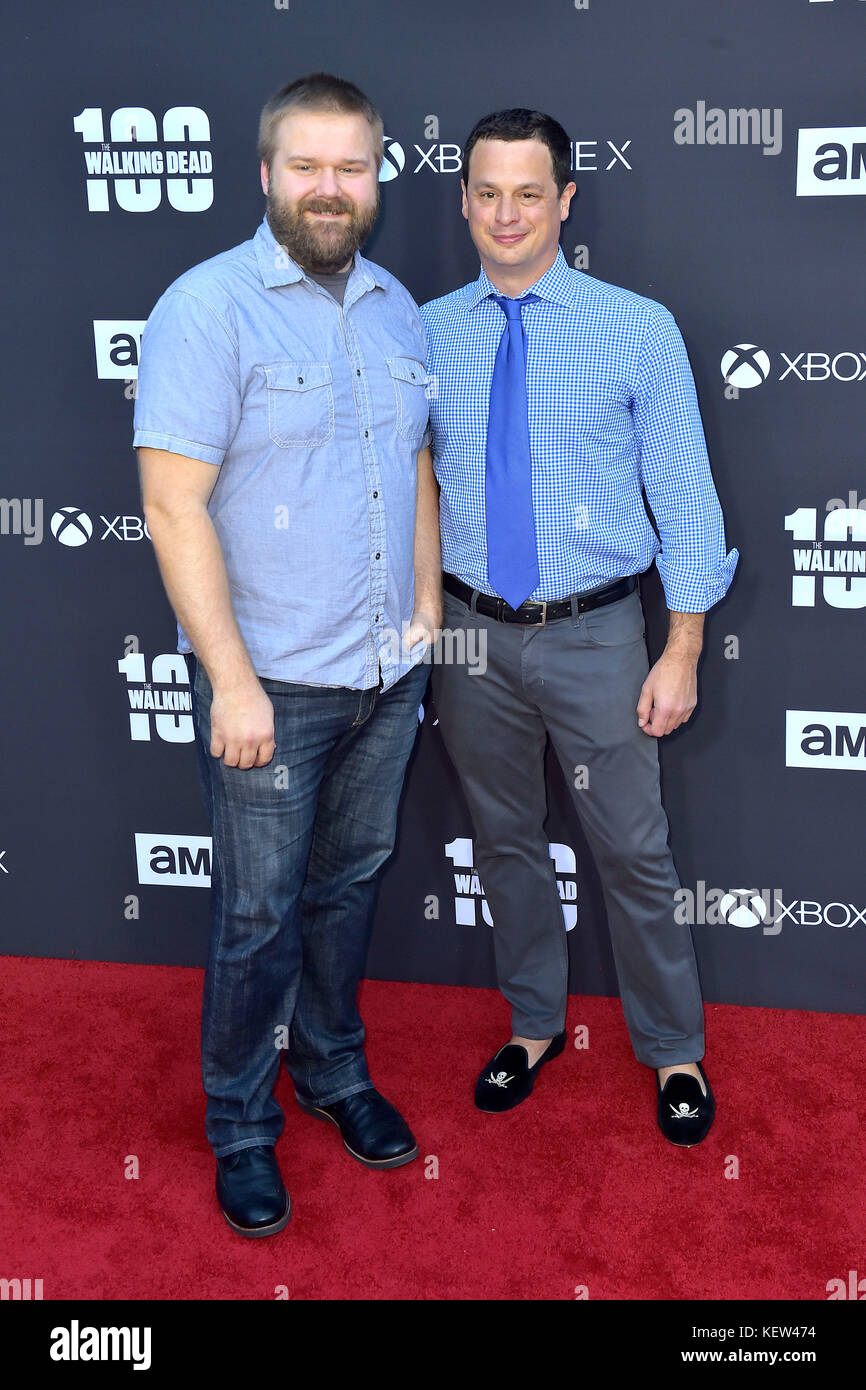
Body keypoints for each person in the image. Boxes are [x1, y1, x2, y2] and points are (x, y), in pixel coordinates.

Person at [133, 72, 441, 1237]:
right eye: (305, 166)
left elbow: (413, 467)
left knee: (347, 888)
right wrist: (233, 678)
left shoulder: (398, 307)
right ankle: (240, 1123)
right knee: (258, 915)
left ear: (375, 178)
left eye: (349, 167)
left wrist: (420, 616)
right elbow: (173, 505)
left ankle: (331, 1071)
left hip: (381, 673)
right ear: (265, 174)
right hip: (272, 685)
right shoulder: (206, 308)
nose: (329, 188)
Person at [420, 108, 738, 1146]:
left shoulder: (635, 326)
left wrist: (680, 644)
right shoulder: (421, 332)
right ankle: (530, 1024)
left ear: (564, 200)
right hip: (470, 638)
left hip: (599, 635)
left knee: (632, 853)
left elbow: (684, 498)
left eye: (527, 192)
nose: (504, 212)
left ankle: (671, 1049)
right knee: (504, 842)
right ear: (462, 199)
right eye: (485, 191)